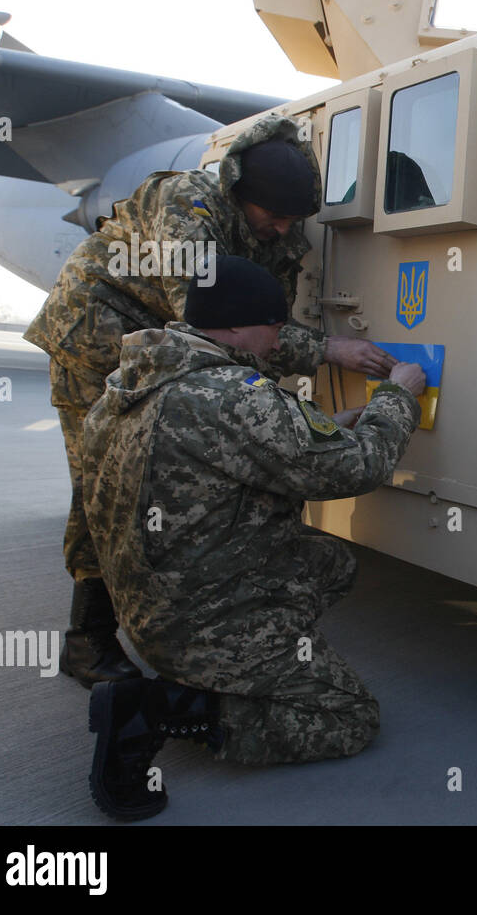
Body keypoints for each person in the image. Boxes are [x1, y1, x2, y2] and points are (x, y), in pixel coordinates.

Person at [23, 112, 397, 688]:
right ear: (238, 196)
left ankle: (177, 616)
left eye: (291, 221)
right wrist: (329, 349)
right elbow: (207, 316)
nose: (280, 231)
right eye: (271, 219)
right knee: (108, 482)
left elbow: (262, 326)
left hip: (175, 344)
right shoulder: (186, 211)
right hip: (99, 341)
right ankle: (87, 642)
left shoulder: (280, 225)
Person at [81, 255, 425, 820]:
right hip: (198, 617)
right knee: (350, 718)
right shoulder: (237, 394)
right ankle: (165, 707)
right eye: (274, 326)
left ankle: (241, 664)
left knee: (330, 563)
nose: (278, 341)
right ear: (238, 328)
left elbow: (238, 444)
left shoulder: (139, 379)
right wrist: (398, 397)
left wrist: (331, 426)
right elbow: (359, 468)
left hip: (146, 604)